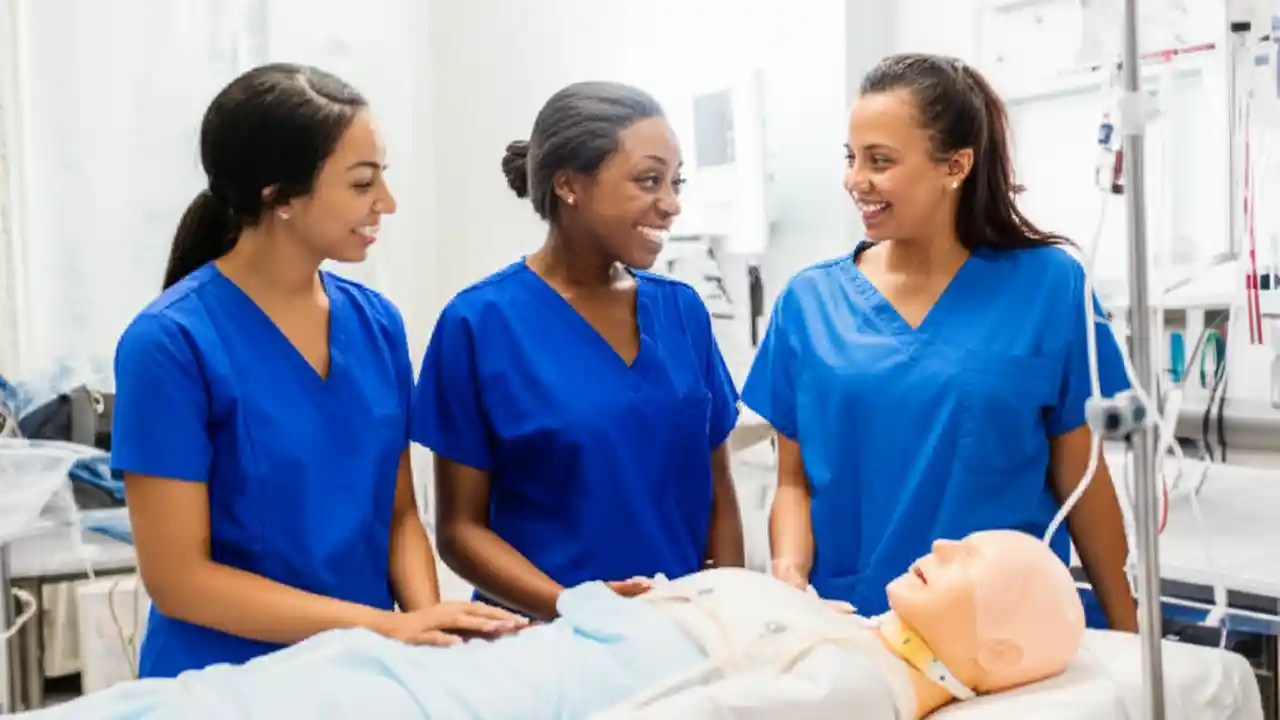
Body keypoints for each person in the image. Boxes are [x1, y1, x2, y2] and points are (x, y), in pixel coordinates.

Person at [111, 63, 523, 679]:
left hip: (365, 672)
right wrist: (389, 627)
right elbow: (180, 581)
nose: (387, 202)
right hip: (223, 686)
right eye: (362, 184)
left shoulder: (377, 323)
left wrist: (429, 627)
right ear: (277, 196)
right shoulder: (170, 344)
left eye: (384, 178)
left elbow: (400, 516)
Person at [742, 53, 1138, 631]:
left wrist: (1131, 631)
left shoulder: (1050, 286)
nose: (856, 180)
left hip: (1006, 630)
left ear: (955, 165)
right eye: (851, 159)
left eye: (880, 161)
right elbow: (793, 482)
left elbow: (1082, 479)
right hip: (857, 626)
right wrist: (789, 580)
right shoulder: (808, 303)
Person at [20, 529, 1085, 720]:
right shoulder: (836, 621)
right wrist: (641, 598)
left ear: (991, 656)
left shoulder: (858, 681)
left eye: (967, 563)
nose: (939, 548)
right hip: (511, 656)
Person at [411, 81, 745, 619]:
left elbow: (718, 492)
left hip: (683, 637)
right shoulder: (479, 323)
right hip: (542, 643)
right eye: (649, 181)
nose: (672, 204)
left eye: (675, 182)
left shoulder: (682, 312)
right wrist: (579, 610)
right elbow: (459, 531)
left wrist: (727, 614)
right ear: (569, 185)